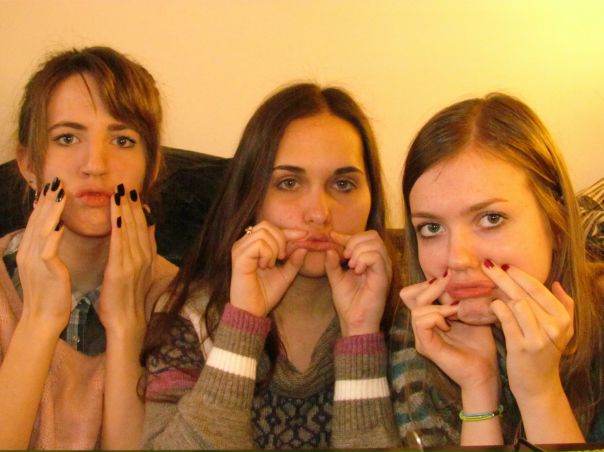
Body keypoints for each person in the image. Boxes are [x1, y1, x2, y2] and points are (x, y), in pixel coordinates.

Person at [141, 83, 400, 449]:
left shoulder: (413, 324)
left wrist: (361, 335)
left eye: (343, 184)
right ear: (252, 199)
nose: (319, 213)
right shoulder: (188, 318)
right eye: (289, 183)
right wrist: (242, 326)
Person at [390, 93, 604, 447]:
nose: (457, 258)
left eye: (491, 219)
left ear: (556, 225)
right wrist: (478, 387)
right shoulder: (420, 333)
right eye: (432, 227)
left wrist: (541, 393)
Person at [0, 46, 177, 449]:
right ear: (28, 165)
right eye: (67, 138)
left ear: (151, 167)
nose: (95, 164)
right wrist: (39, 321)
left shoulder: (186, 301)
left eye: (122, 139)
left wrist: (127, 324)